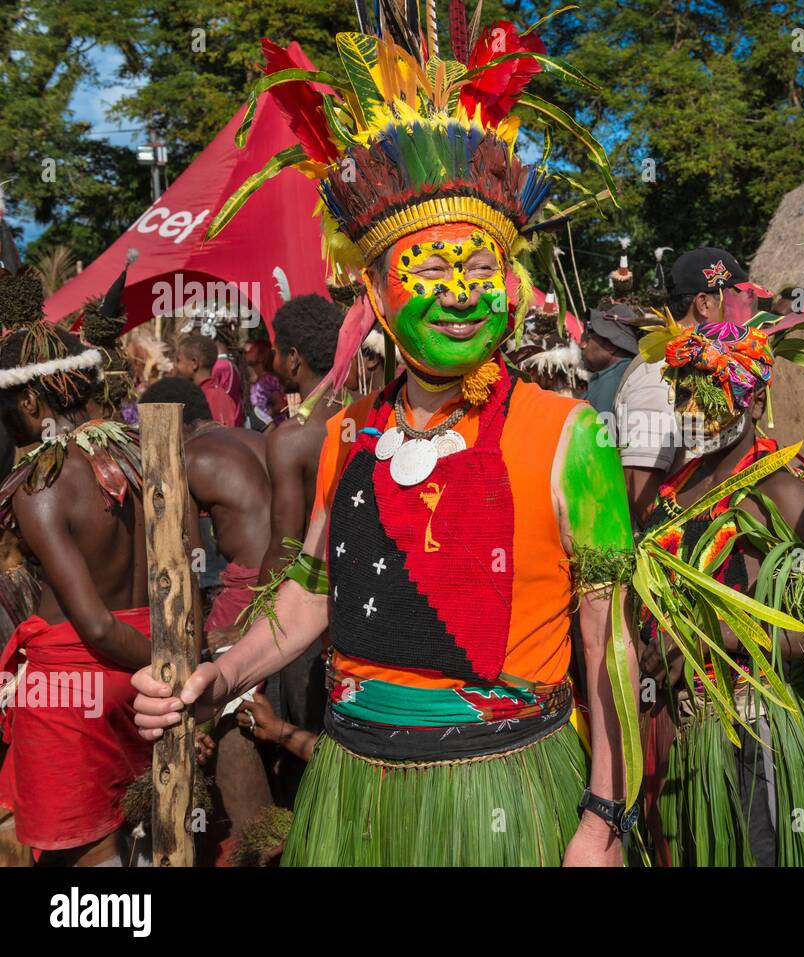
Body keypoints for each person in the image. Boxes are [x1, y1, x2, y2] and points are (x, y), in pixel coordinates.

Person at [131, 6, 639, 866]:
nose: (458, 291)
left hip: (504, 794)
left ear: (510, 287)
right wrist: (221, 673)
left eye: (480, 269)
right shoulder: (350, 437)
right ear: (370, 283)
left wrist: (602, 817)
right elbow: (310, 601)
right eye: (430, 269)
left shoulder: (571, 437)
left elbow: (608, 643)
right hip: (355, 793)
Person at [639, 319, 804, 866]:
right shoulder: (680, 482)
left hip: (755, 727)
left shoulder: (784, 494)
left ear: (753, 403)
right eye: (684, 393)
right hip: (684, 727)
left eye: (713, 394)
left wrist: (703, 641)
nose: (694, 411)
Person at [0, 270, 159, 865]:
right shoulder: (141, 453)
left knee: (87, 862)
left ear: (32, 400)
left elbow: (93, 625)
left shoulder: (39, 483)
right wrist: (173, 662)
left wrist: (174, 666)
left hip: (78, 688)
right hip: (142, 672)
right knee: (148, 835)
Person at [137, 376, 276, 845]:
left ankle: (251, 841)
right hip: (293, 582)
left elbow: (184, 571)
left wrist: (195, 647)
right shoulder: (254, 438)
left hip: (249, 586)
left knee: (212, 696)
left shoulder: (187, 458)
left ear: (166, 424)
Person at [257, 293, 346, 746]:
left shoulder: (292, 437)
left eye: (275, 348)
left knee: (303, 749)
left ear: (293, 358)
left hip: (308, 612)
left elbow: (286, 546)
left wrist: (257, 627)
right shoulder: (370, 414)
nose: (271, 358)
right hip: (363, 609)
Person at [616, 247, 752, 526]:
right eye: (739, 302)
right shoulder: (659, 374)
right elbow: (642, 496)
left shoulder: (697, 365)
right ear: (704, 304)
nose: (748, 316)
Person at [580, 302, 640, 418]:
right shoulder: (629, 373)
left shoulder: (612, 381)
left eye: (589, 337)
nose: (582, 344)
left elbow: (598, 434)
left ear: (610, 345)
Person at [174, 332, 241, 427]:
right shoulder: (225, 398)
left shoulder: (196, 401)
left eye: (178, 360)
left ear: (194, 363)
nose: (175, 366)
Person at [243, 338, 287, 427]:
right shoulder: (259, 380)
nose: (247, 353)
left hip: (270, 430)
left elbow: (280, 405)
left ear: (261, 357)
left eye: (251, 351)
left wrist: (264, 417)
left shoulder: (268, 380)